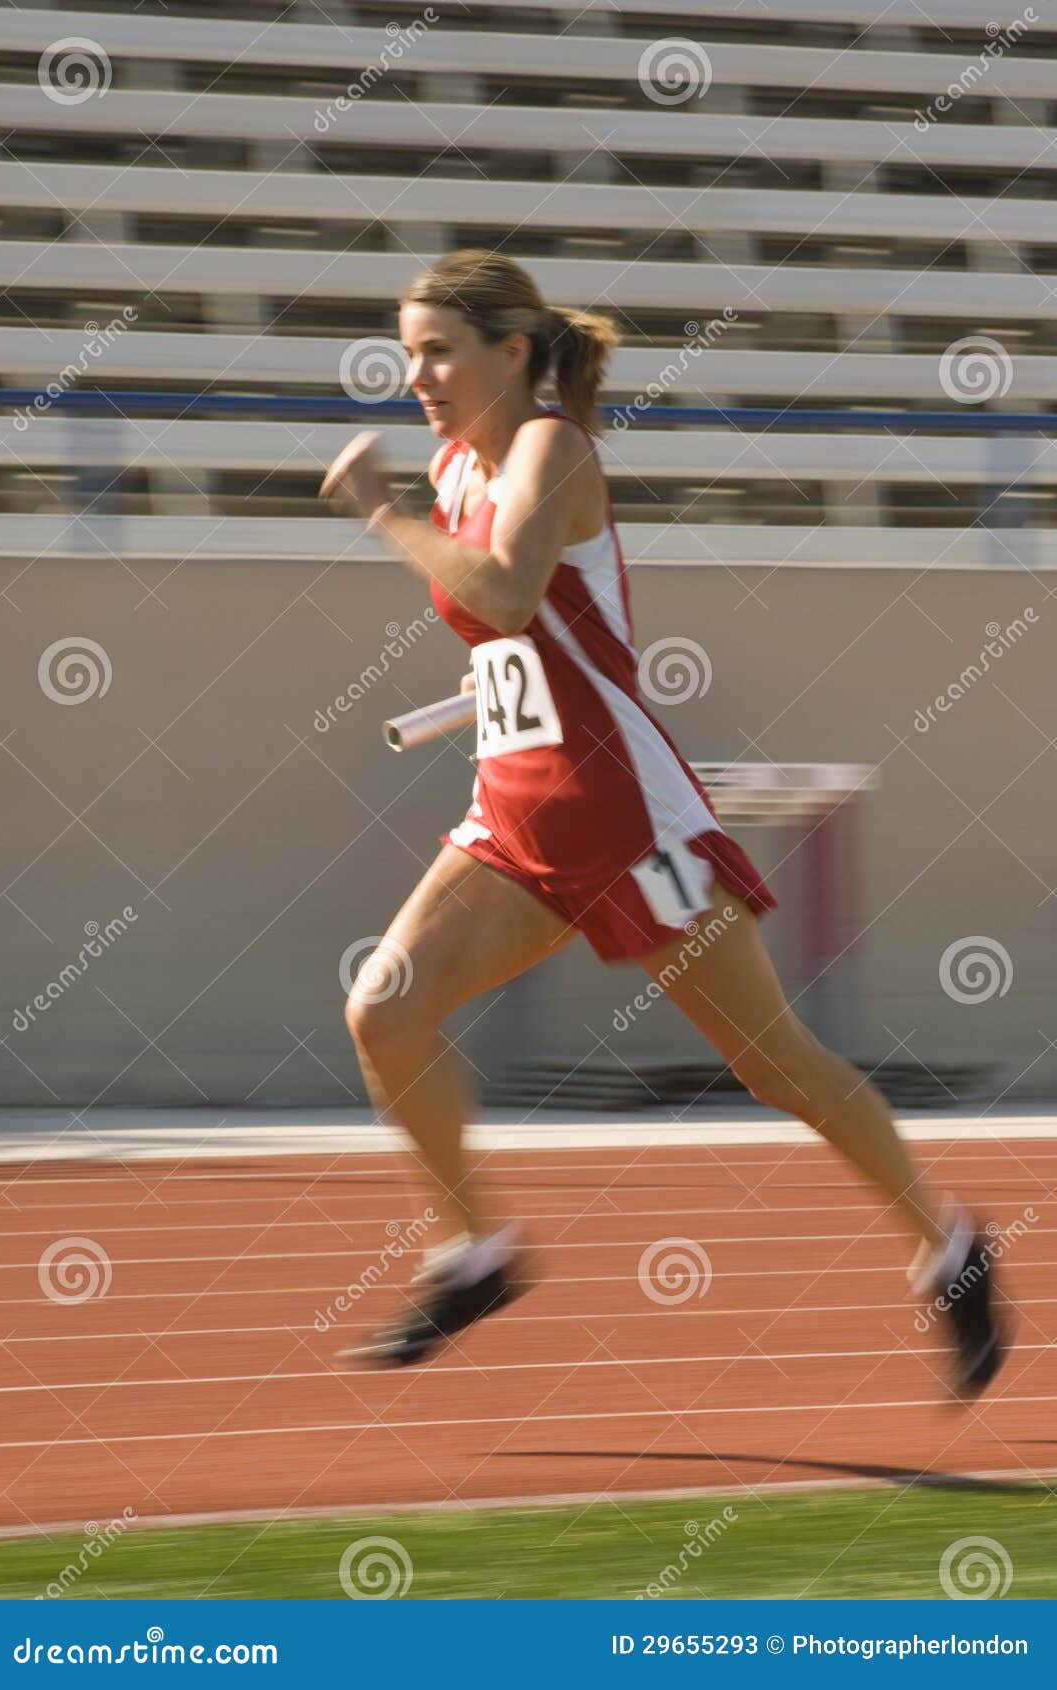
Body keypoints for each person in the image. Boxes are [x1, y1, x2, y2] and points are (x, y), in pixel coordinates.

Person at [319, 249, 1005, 1395]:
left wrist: (382, 512)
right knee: (383, 1011)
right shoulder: (454, 468)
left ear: (512, 352)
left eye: (439, 351)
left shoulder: (550, 449)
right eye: (409, 354)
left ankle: (948, 1248)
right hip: (515, 818)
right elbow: (521, 637)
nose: (418, 375)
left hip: (636, 831)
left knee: (774, 1064)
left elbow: (506, 593)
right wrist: (497, 674)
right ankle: (474, 1252)